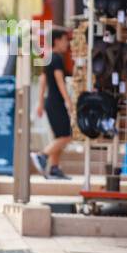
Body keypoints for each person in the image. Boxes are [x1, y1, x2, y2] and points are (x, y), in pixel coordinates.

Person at [32, 27, 75, 180]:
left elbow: (43, 80)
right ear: (57, 41)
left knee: (59, 135)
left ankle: (55, 168)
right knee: (67, 136)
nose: (67, 44)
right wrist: (69, 102)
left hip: (50, 102)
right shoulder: (56, 58)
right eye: (65, 40)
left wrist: (40, 102)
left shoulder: (49, 57)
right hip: (56, 103)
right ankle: (42, 156)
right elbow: (59, 81)